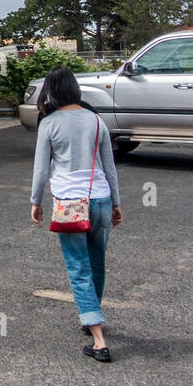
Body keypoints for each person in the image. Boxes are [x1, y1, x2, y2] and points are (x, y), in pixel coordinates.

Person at [30, 66, 123, 362]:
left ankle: (98, 340)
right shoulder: (96, 121)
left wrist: (36, 201)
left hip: (70, 205)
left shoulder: (49, 124)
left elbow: (41, 169)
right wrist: (117, 203)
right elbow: (110, 167)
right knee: (97, 263)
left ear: (51, 91)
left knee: (78, 268)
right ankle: (90, 315)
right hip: (101, 200)